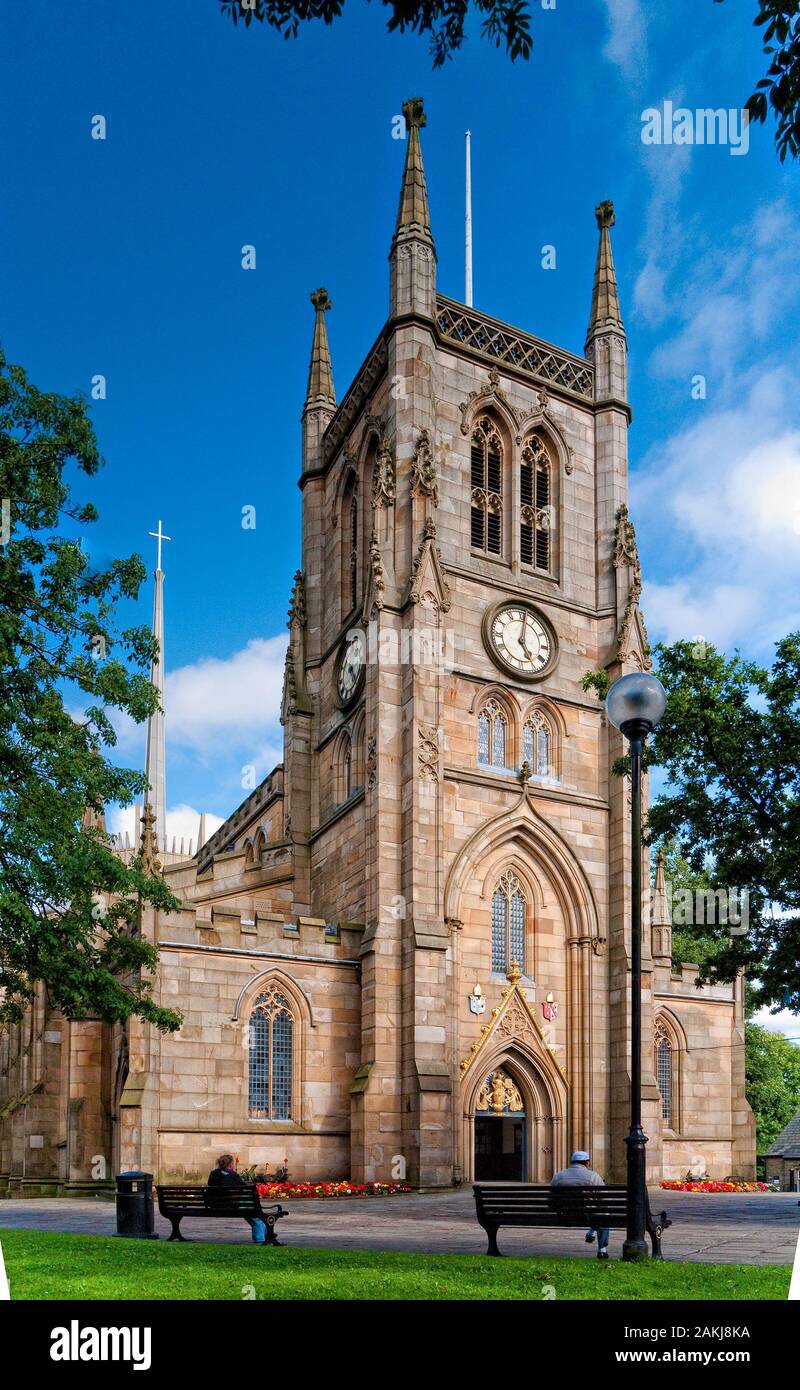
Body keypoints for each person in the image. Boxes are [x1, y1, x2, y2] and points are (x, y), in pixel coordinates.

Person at [550, 1150, 609, 1259]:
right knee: (604, 1214)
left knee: (597, 1211)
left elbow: (551, 1197)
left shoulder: (558, 1176)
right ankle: (602, 1249)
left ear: (572, 1162)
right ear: (587, 1163)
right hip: (588, 1216)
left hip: (564, 1215)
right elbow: (604, 1198)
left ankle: (592, 1231)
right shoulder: (593, 1176)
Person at [207, 1154, 267, 1245]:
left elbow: (211, 1185)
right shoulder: (233, 1175)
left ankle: (265, 1232)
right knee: (254, 1211)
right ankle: (260, 1237)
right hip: (231, 1206)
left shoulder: (213, 1173)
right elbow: (242, 1186)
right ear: (230, 1164)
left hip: (215, 1205)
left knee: (250, 1211)